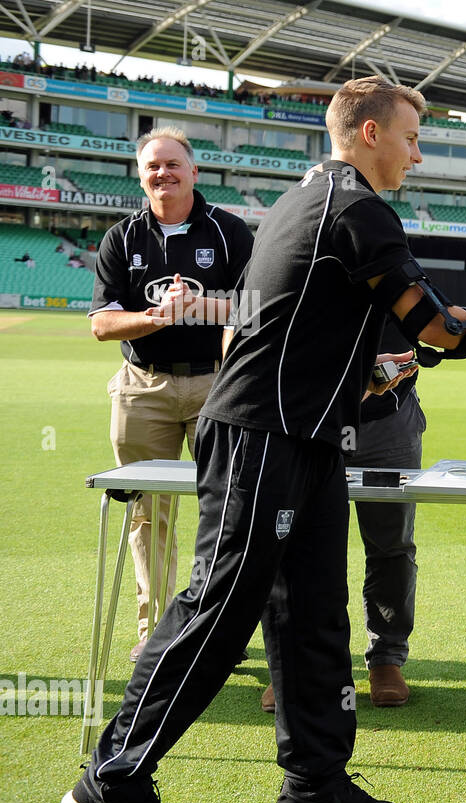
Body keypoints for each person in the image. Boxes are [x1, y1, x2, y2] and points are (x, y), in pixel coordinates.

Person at [61, 76, 466, 803]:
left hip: (308, 436)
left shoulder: (312, 197)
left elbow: (402, 336)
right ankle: (111, 779)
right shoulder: (355, 208)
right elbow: (437, 327)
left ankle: (314, 782)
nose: (418, 156)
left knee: (314, 609)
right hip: (264, 434)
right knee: (220, 604)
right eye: (413, 138)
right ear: (371, 133)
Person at [88, 127, 255, 663]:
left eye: (172, 164)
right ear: (141, 176)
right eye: (152, 166)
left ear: (193, 171)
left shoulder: (230, 233)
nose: (163, 173)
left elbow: (257, 310)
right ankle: (157, 633)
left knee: (230, 512)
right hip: (143, 386)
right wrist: (158, 317)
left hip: (219, 384)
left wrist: (197, 308)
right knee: (148, 513)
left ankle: (220, 630)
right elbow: (102, 325)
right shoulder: (121, 238)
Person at [259, 314, 424, 712]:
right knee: (293, 545)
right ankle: (291, 665)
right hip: (307, 420)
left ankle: (386, 659)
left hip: (387, 425)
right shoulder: (304, 259)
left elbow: (437, 331)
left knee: (391, 546)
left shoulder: (398, 264)